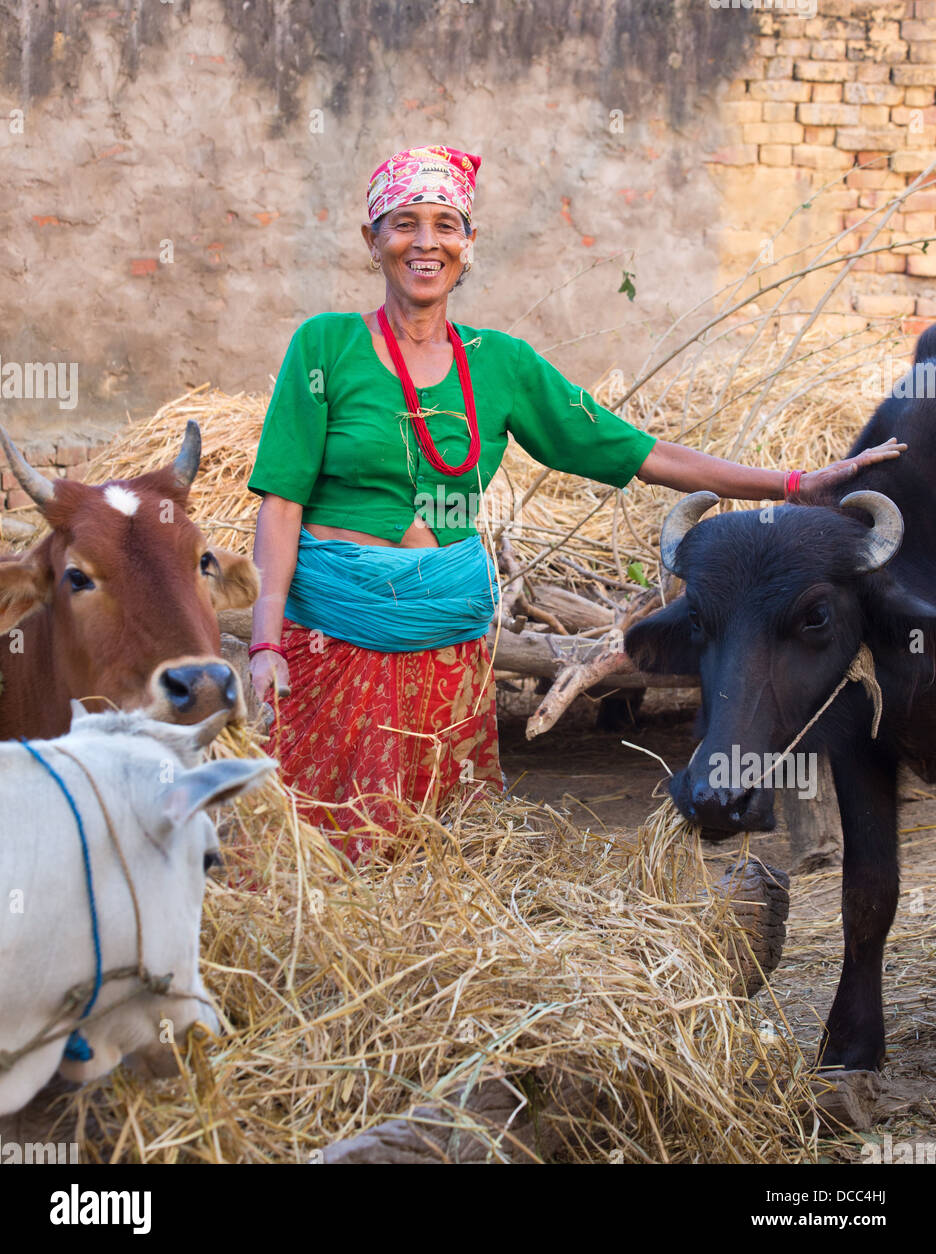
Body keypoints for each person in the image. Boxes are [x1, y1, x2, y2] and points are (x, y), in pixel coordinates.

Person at [247, 144, 904, 860]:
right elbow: (280, 506)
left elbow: (641, 454)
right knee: (317, 833)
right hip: (337, 631)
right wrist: (264, 642)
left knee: (431, 843)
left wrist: (792, 484)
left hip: (446, 639)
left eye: (444, 223)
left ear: (468, 244)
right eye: (403, 223)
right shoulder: (325, 346)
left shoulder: (502, 364)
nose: (425, 242)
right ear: (372, 240)